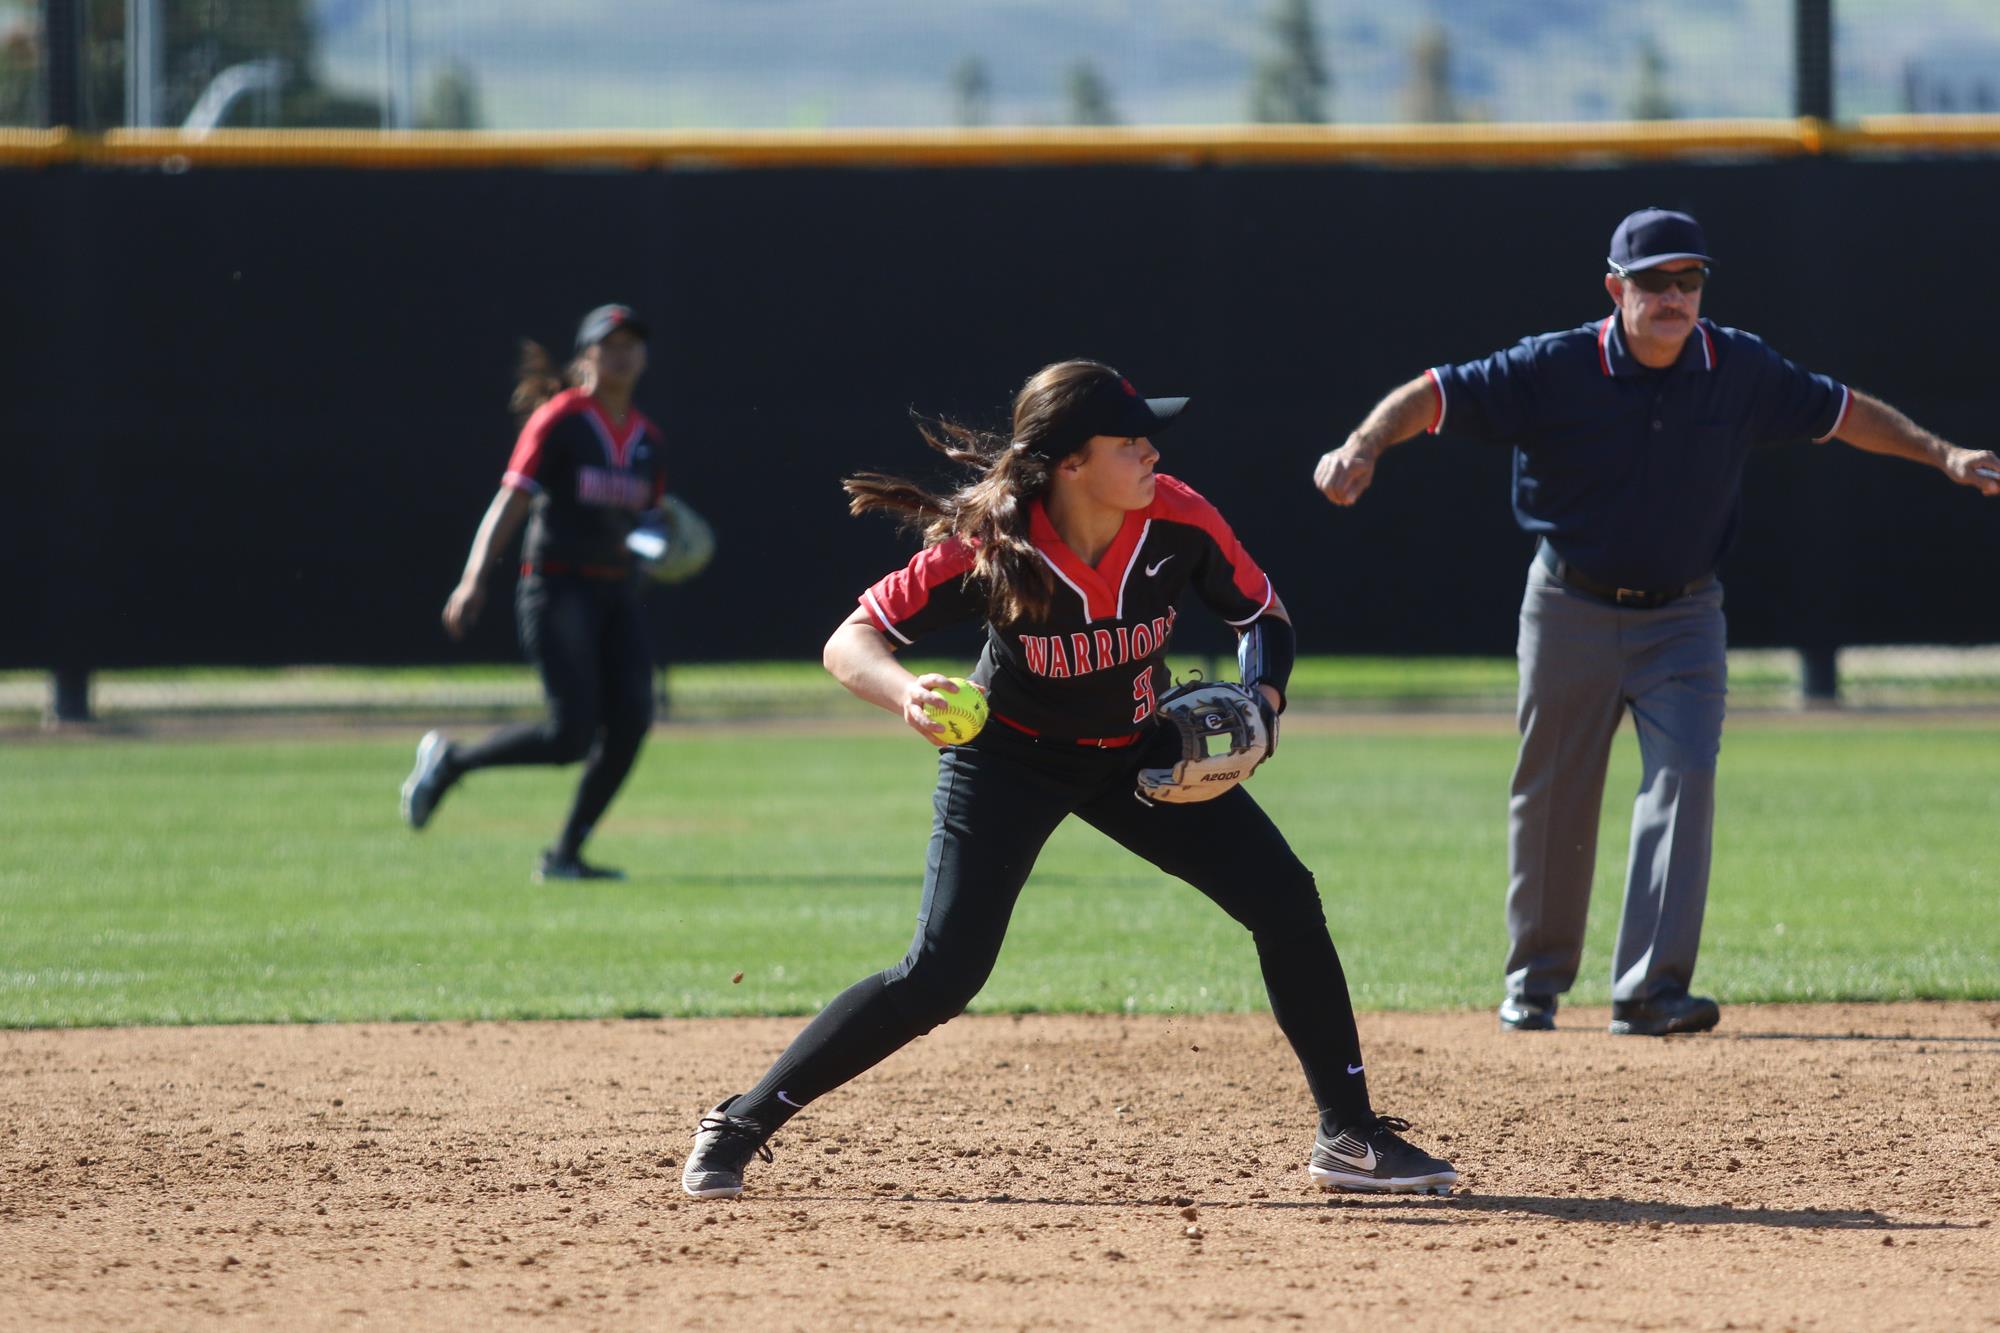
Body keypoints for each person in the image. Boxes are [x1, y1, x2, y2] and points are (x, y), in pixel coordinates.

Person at [679, 358, 1456, 1199]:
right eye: (1130, 441)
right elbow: (850, 641)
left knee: (1285, 900)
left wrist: (1264, 698)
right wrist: (906, 692)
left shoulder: (1177, 519)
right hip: (1009, 759)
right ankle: (740, 1121)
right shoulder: (995, 544)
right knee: (942, 973)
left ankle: (1349, 1134)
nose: (1151, 451)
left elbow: (1260, 612)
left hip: (1137, 752)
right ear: (1072, 464)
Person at [1312, 208, 2000, 1037]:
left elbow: (1842, 411)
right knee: (1554, 794)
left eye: (1689, 278)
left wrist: (1943, 454)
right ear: (1616, 288)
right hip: (1568, 606)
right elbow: (1435, 393)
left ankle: (1649, 990)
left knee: (1686, 775)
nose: (1674, 296)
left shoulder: (1738, 366)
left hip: (1685, 614)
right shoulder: (1555, 365)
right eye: (1654, 280)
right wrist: (1364, 444)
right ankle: (1535, 981)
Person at [399, 303, 669, 883]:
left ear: (644, 356)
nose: (622, 354)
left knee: (631, 722)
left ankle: (565, 856)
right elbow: (513, 497)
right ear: (587, 354)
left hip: (617, 594)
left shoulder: (647, 438)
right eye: (610, 343)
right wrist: (474, 577)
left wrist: (659, 543)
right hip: (558, 588)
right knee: (569, 735)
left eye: (631, 344)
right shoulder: (561, 419)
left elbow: (648, 521)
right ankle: (451, 761)